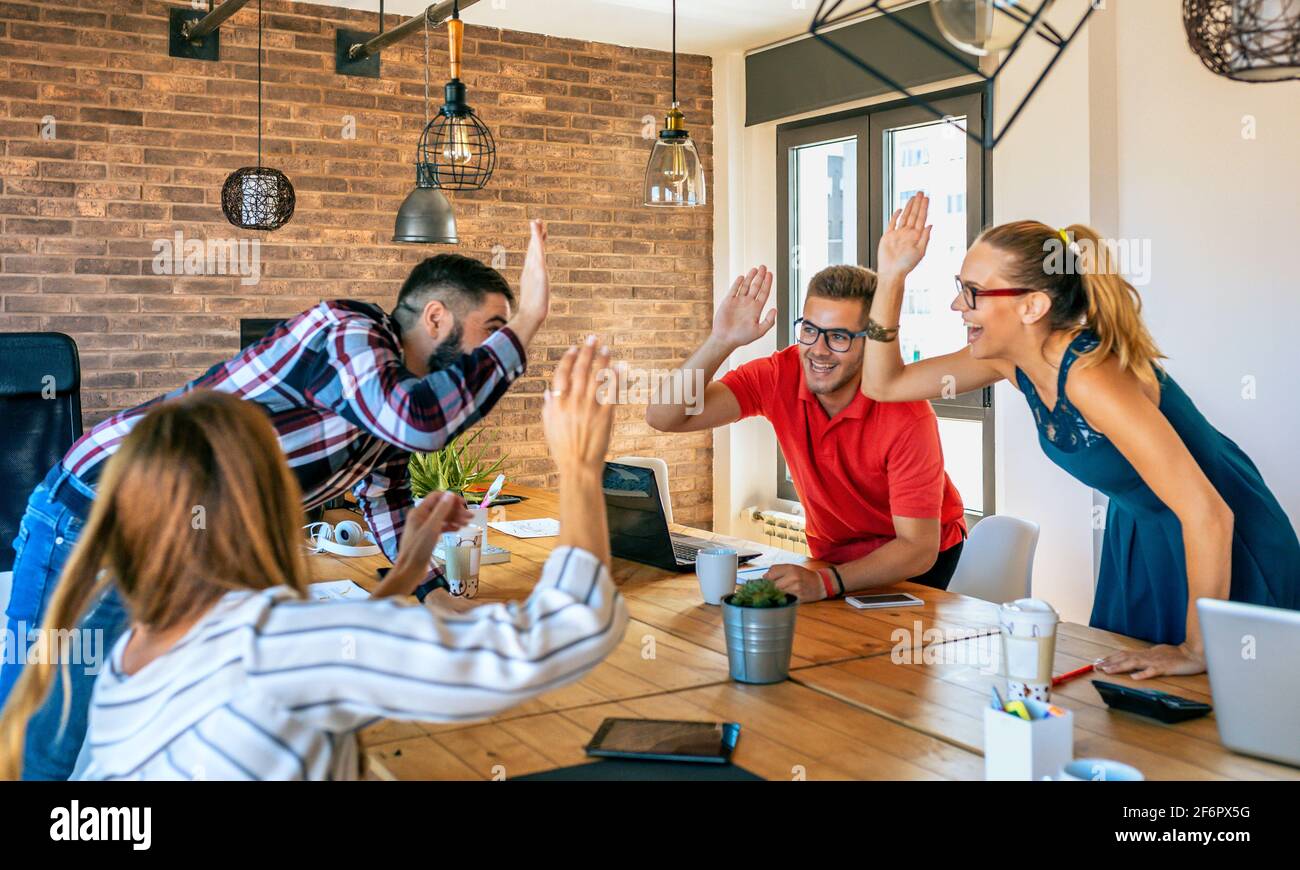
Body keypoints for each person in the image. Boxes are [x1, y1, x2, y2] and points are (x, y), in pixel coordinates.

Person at [0, 220, 553, 779]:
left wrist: (434, 594)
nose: (499, 346)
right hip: (100, 507)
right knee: (46, 720)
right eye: (494, 328)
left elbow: (386, 501)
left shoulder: (384, 398)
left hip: (179, 540)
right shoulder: (346, 331)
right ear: (437, 318)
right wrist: (528, 321)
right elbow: (420, 421)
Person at [861, 193, 1300, 678]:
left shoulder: (1091, 376)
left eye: (972, 293)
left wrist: (1198, 649)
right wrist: (892, 276)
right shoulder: (1016, 363)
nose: (956, 305)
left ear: (1032, 305)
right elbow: (884, 384)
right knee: (1137, 705)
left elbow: (1209, 512)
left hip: (1220, 538)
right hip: (1139, 534)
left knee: (1233, 709)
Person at [646, 263, 967, 601]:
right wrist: (720, 341)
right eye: (810, 330)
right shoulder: (780, 374)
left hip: (913, 564)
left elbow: (917, 548)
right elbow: (665, 416)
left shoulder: (907, 415)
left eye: (839, 337)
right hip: (832, 555)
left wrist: (826, 583)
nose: (819, 349)